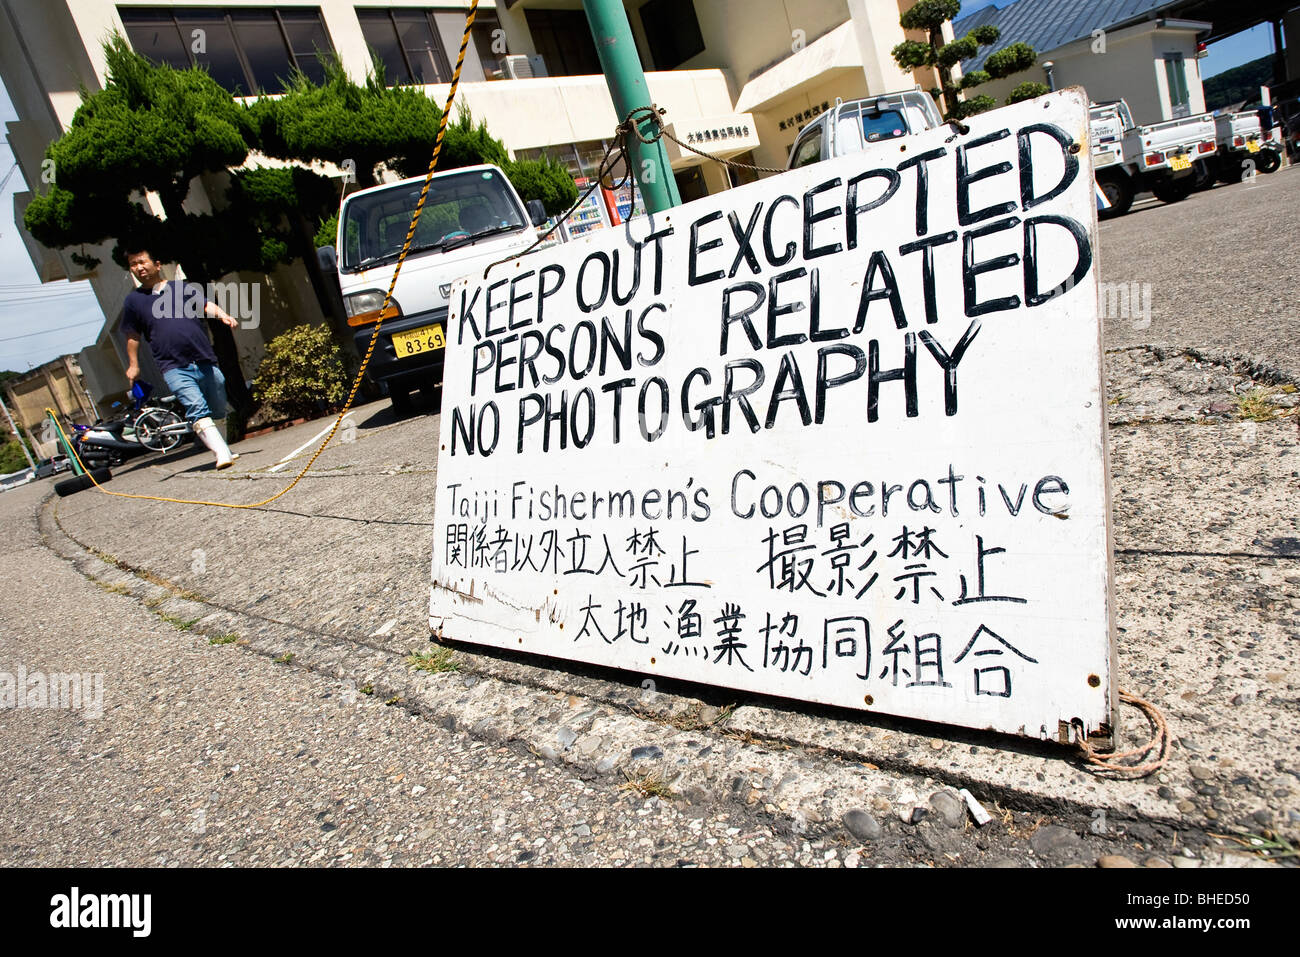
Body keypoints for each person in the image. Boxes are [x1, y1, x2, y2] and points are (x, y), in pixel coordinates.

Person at [121, 248, 237, 469]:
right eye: (134, 264)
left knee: (219, 405)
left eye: (142, 262)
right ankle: (221, 453)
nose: (139, 267)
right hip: (172, 365)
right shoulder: (133, 302)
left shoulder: (180, 288)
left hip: (202, 358)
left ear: (157, 264)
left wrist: (223, 315)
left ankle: (225, 446)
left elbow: (205, 305)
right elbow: (132, 335)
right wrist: (133, 365)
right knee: (196, 406)